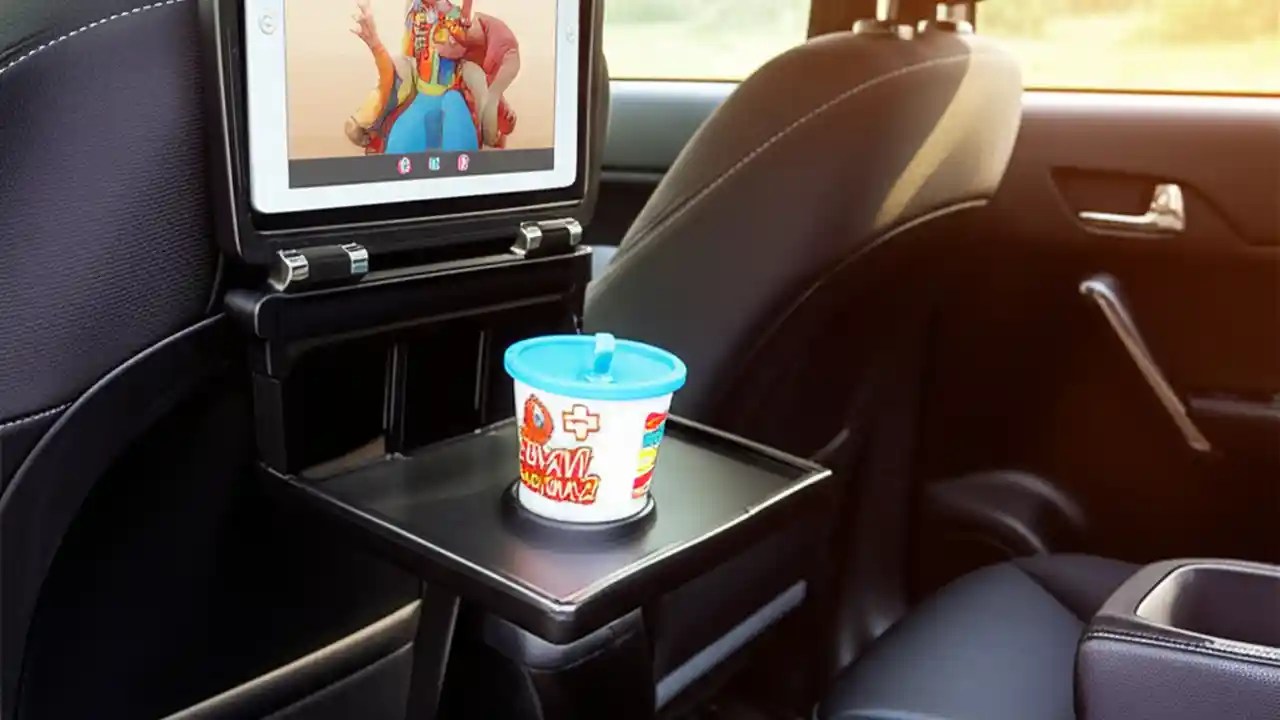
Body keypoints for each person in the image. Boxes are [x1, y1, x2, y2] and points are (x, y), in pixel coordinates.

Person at [344, 0, 479, 154]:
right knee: (397, 149)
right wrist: (375, 45)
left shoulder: (456, 15)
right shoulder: (416, 14)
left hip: (451, 93)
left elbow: (465, 45)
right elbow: (400, 65)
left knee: (459, 145)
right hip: (423, 96)